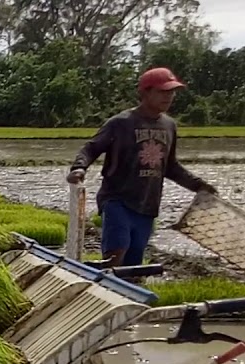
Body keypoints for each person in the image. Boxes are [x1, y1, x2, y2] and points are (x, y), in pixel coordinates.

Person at [67, 67, 217, 267]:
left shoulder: (169, 126)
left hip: (147, 204)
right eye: (163, 91)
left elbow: (170, 166)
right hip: (118, 199)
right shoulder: (120, 123)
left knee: (134, 263)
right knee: (116, 254)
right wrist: (79, 168)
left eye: (172, 92)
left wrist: (198, 185)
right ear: (145, 92)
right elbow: (92, 148)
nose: (169, 96)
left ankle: (127, 293)